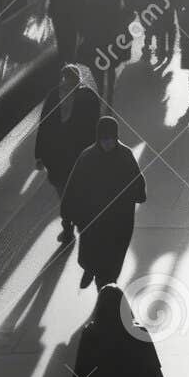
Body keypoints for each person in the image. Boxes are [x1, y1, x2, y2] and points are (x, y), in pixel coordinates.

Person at [62, 116, 147, 288]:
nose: (107, 143)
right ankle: (92, 270)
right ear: (98, 138)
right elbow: (74, 186)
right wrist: (68, 213)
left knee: (114, 256)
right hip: (94, 217)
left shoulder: (125, 155)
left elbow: (137, 181)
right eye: (104, 139)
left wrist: (137, 194)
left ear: (116, 137)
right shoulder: (87, 157)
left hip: (119, 218)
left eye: (111, 139)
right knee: (92, 249)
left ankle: (105, 282)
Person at [34, 64, 103, 243]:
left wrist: (40, 154)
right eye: (65, 81)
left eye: (69, 81)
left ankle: (68, 226)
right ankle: (73, 222)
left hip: (70, 154)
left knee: (67, 192)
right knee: (69, 191)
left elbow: (44, 125)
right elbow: (45, 124)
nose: (66, 84)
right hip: (63, 155)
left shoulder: (85, 97)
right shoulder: (86, 96)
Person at [81, 0, 130, 103]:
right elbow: (122, 13)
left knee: (98, 67)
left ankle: (100, 91)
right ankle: (110, 94)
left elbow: (86, 17)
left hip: (96, 38)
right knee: (111, 67)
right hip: (112, 36)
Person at [48, 0, 85, 64]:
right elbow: (83, 1)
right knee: (72, 42)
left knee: (62, 43)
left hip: (59, 21)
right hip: (73, 20)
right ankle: (72, 63)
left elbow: (52, 5)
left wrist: (51, 14)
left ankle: (63, 63)